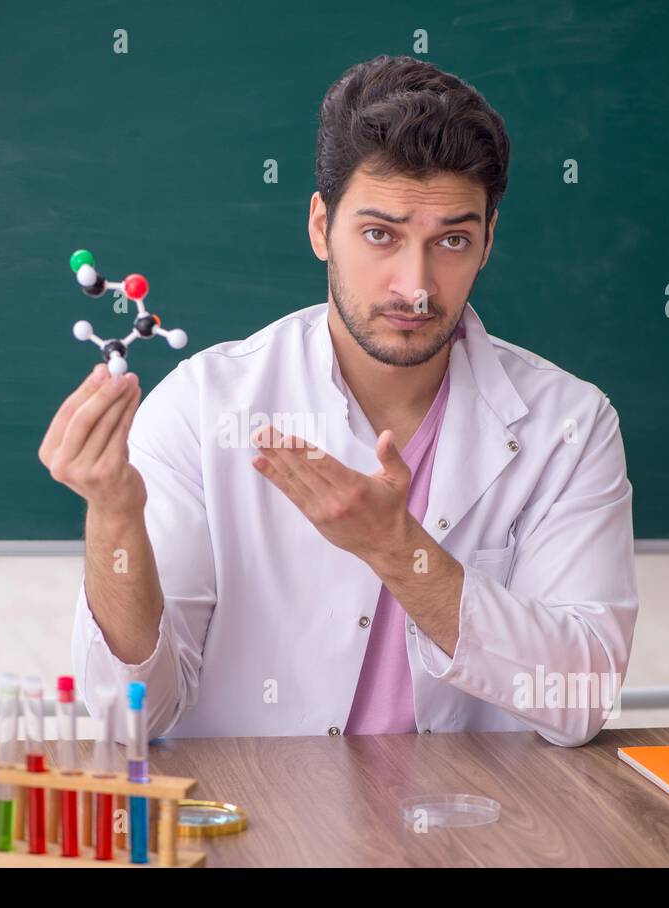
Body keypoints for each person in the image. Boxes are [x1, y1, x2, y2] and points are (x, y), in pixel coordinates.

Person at [39, 55, 637, 745]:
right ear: (321, 226)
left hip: (475, 835)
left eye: (451, 240)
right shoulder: (204, 408)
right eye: (380, 234)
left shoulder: (570, 425)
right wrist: (114, 516)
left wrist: (399, 550)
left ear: (487, 242)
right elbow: (131, 713)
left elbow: (581, 696)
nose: (415, 285)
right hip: (260, 834)